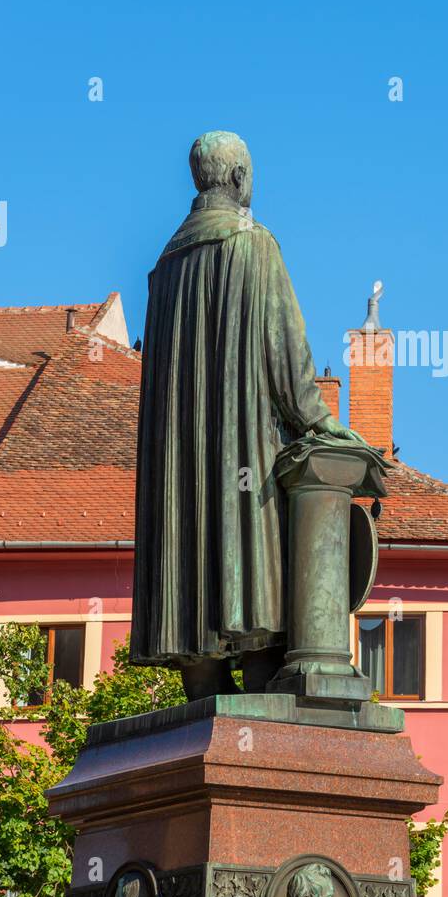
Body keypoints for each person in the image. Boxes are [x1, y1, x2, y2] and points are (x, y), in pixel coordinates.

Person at [130, 131, 364, 700]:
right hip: (244, 455)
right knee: (258, 605)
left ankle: (200, 720)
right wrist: (318, 419)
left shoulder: (165, 266)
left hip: (178, 466)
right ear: (238, 179)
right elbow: (284, 350)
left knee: (191, 591)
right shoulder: (252, 243)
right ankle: (262, 714)